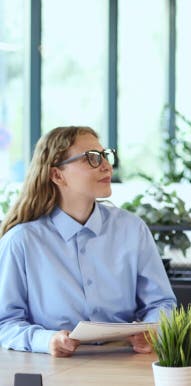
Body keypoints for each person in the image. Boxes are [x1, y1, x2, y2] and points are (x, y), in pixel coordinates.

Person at [0, 126, 176, 357]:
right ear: (57, 175)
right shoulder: (21, 242)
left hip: (125, 362)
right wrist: (47, 340)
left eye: (105, 155)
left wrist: (153, 331)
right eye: (91, 158)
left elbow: (161, 303)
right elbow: (5, 323)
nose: (106, 165)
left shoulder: (132, 229)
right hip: (53, 366)